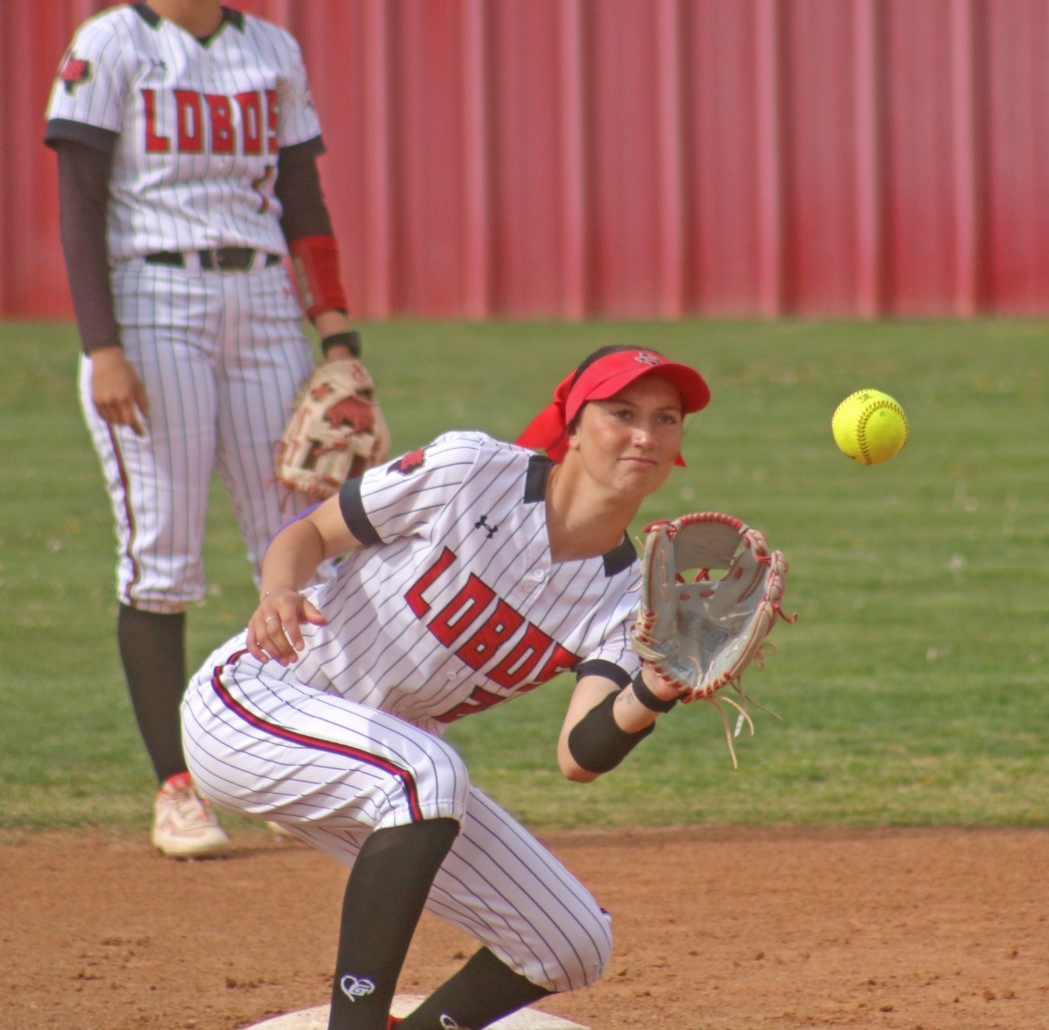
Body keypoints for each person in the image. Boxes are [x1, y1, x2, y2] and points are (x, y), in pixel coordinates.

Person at [181, 345, 709, 1030]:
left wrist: (657, 688)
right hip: (251, 705)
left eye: (666, 419)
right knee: (429, 772)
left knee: (572, 941)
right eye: (623, 413)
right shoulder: (472, 470)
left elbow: (580, 754)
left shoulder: (627, 597)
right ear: (575, 426)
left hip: (383, 775)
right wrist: (279, 591)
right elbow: (310, 530)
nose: (645, 435)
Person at [44, 0, 362, 859]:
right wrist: (102, 346)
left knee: (296, 537)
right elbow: (79, 207)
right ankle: (177, 788)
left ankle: (288, 768)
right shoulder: (112, 44)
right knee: (164, 553)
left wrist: (338, 339)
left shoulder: (271, 50)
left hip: (263, 300)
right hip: (154, 301)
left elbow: (304, 202)